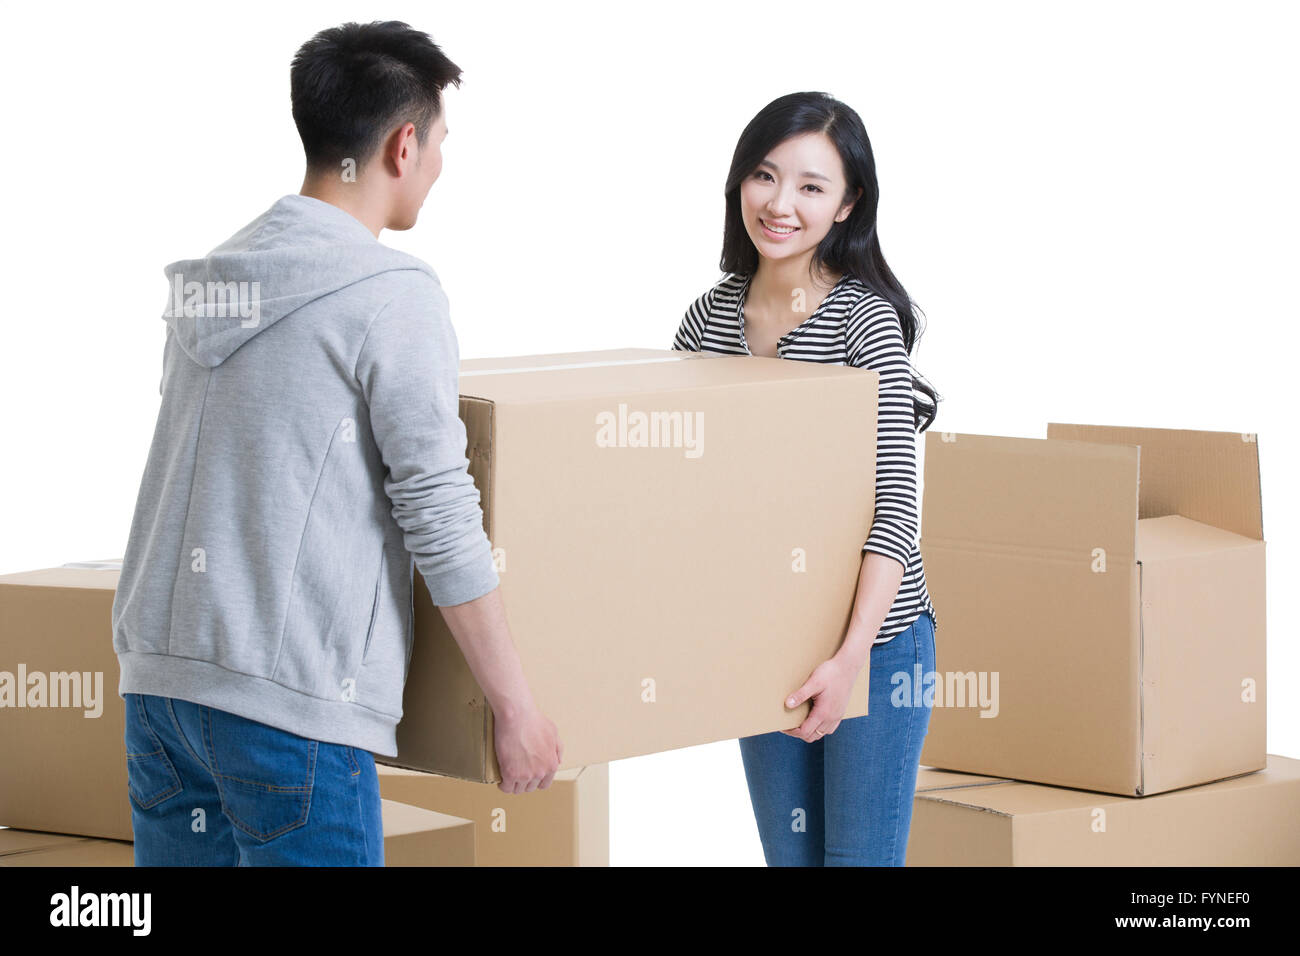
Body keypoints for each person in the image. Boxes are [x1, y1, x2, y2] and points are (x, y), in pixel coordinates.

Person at [111, 20, 561, 867]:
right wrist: (516, 708)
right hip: (292, 713)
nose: (438, 165)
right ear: (402, 144)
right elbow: (438, 506)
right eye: (439, 142)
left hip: (159, 691)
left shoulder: (218, 281)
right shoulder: (392, 296)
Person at [672, 91, 941, 866]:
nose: (780, 203)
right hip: (770, 643)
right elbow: (689, 506)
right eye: (764, 176)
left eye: (811, 187)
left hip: (878, 645)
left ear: (848, 204)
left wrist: (848, 657)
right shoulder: (706, 324)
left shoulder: (863, 324)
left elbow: (895, 508)